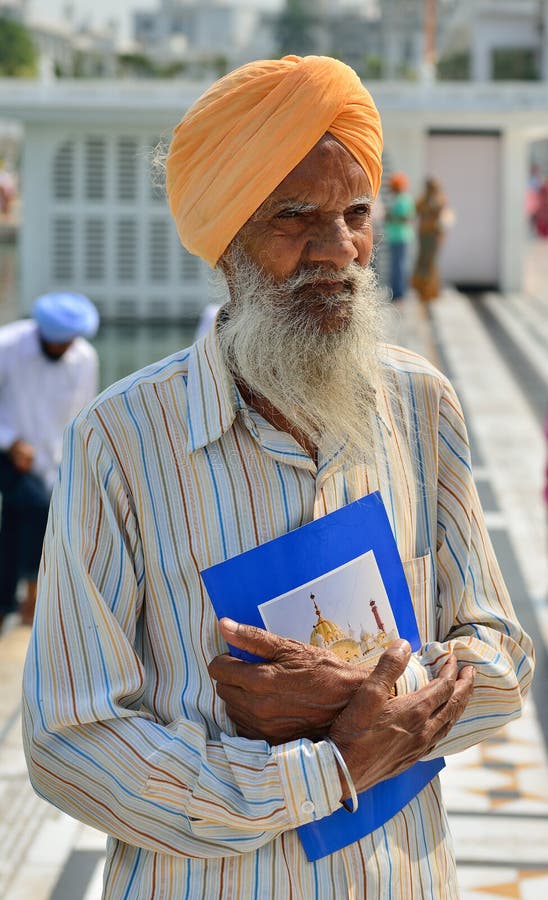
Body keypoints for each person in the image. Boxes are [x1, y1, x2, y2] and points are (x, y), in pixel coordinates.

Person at [22, 56, 533, 898]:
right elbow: (72, 742)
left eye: (357, 215)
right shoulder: (120, 440)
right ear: (226, 242)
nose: (339, 251)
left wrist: (368, 695)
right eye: (297, 218)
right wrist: (327, 769)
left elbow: (502, 654)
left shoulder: (417, 406)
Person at [0, 292, 99, 630]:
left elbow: (84, 412)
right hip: (7, 452)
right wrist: (10, 441)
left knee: (19, 522)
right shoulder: (7, 345)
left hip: (54, 458)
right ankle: (33, 592)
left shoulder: (85, 357)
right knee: (36, 507)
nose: (63, 348)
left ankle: (7, 601)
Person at [411, 176, 447, 303]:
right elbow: (415, 209)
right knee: (422, 261)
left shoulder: (439, 199)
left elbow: (443, 215)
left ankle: (430, 290)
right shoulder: (424, 199)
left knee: (431, 262)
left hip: (433, 235)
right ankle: (421, 289)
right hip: (423, 235)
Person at [384, 170, 415, 302]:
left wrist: (391, 217)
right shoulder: (398, 199)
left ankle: (399, 294)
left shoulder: (404, 199)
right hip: (395, 237)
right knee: (396, 266)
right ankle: (395, 293)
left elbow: (406, 218)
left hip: (401, 237)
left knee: (400, 266)